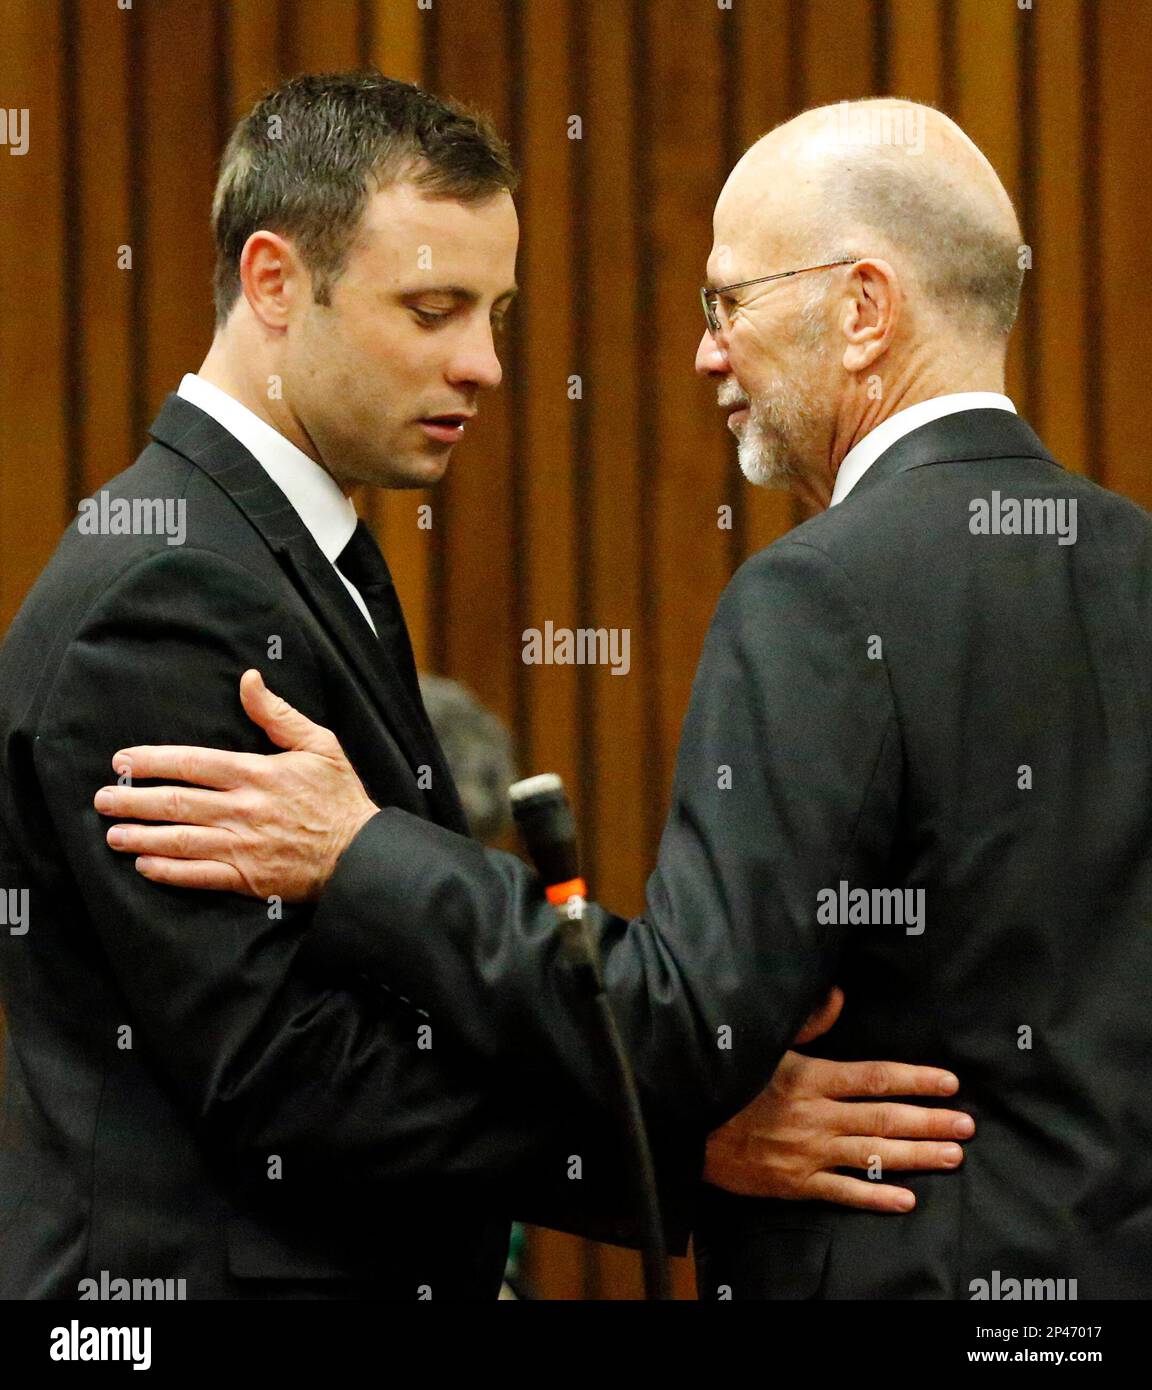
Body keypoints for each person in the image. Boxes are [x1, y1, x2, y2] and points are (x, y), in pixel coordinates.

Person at [100, 98, 1152, 1300]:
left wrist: (362, 853)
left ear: (864, 311)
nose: (709, 350)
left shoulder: (818, 593)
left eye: (730, 301)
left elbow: (677, 1033)